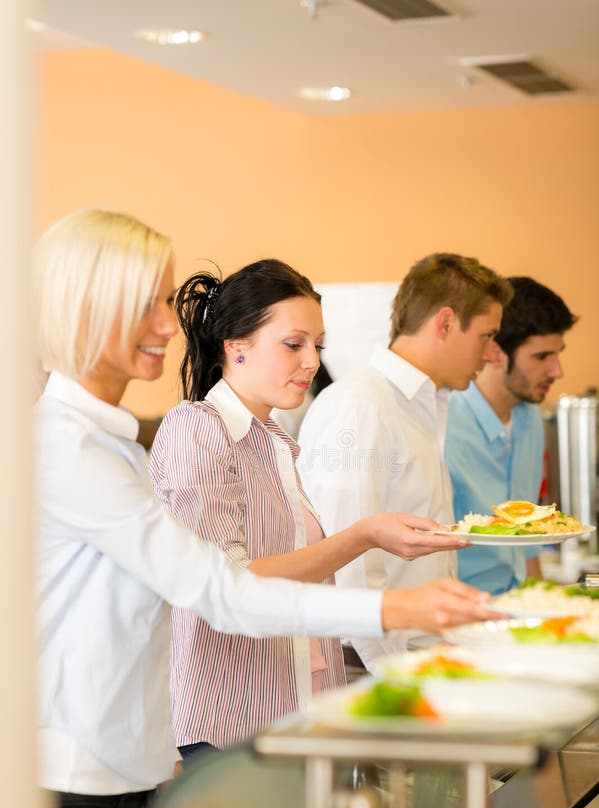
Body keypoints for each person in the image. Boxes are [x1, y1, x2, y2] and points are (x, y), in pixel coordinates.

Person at [34, 211, 500, 808]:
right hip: (78, 777)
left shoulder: (118, 446)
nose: (169, 326)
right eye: (148, 305)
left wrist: (166, 768)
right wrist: (393, 600)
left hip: (130, 769)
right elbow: (219, 589)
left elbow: (145, 627)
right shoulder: (73, 449)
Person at [149, 259, 473, 759]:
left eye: (316, 346)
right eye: (293, 344)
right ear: (236, 348)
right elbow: (230, 583)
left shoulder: (274, 441)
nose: (311, 363)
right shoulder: (196, 429)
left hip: (292, 708)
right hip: (227, 723)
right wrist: (364, 535)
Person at [299, 252, 513, 670]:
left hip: (419, 654)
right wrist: (394, 671)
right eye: (487, 336)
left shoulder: (424, 405)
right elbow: (349, 567)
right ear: (446, 323)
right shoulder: (362, 405)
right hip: (369, 661)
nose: (491, 355)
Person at [445, 276, 578, 595]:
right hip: (457, 612)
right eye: (541, 356)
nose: (557, 371)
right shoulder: (445, 420)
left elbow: (528, 540)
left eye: (558, 353)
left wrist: (540, 607)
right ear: (494, 351)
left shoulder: (530, 416)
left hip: (516, 605)